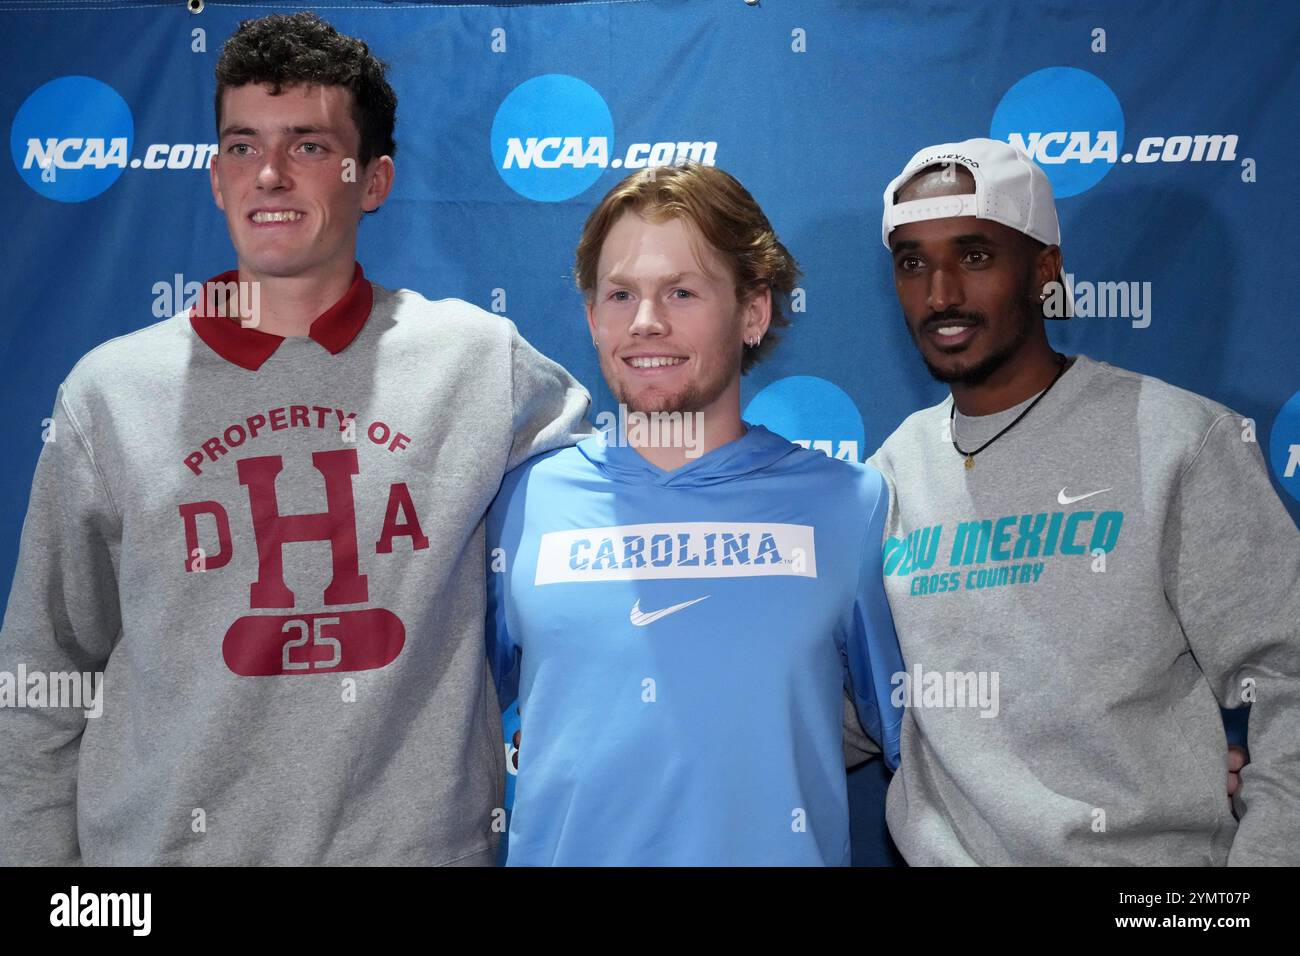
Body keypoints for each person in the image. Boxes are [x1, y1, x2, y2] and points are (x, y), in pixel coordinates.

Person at [0, 12, 588, 865]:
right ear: (214, 175)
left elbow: (615, 534)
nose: (268, 175)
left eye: (309, 147)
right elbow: (43, 679)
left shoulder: (479, 365)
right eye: (243, 146)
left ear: (373, 179)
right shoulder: (110, 394)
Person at [870, 137, 1299, 864]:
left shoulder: (1180, 442)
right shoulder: (891, 471)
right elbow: (852, 697)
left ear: (1044, 270)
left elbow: (1287, 676)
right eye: (914, 263)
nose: (940, 294)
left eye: (974, 256)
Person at [486, 163, 904, 865]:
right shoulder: (519, 504)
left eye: (682, 291)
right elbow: (447, 732)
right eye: (620, 294)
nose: (646, 322)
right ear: (592, 317)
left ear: (753, 313)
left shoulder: (851, 506)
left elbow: (927, 753)